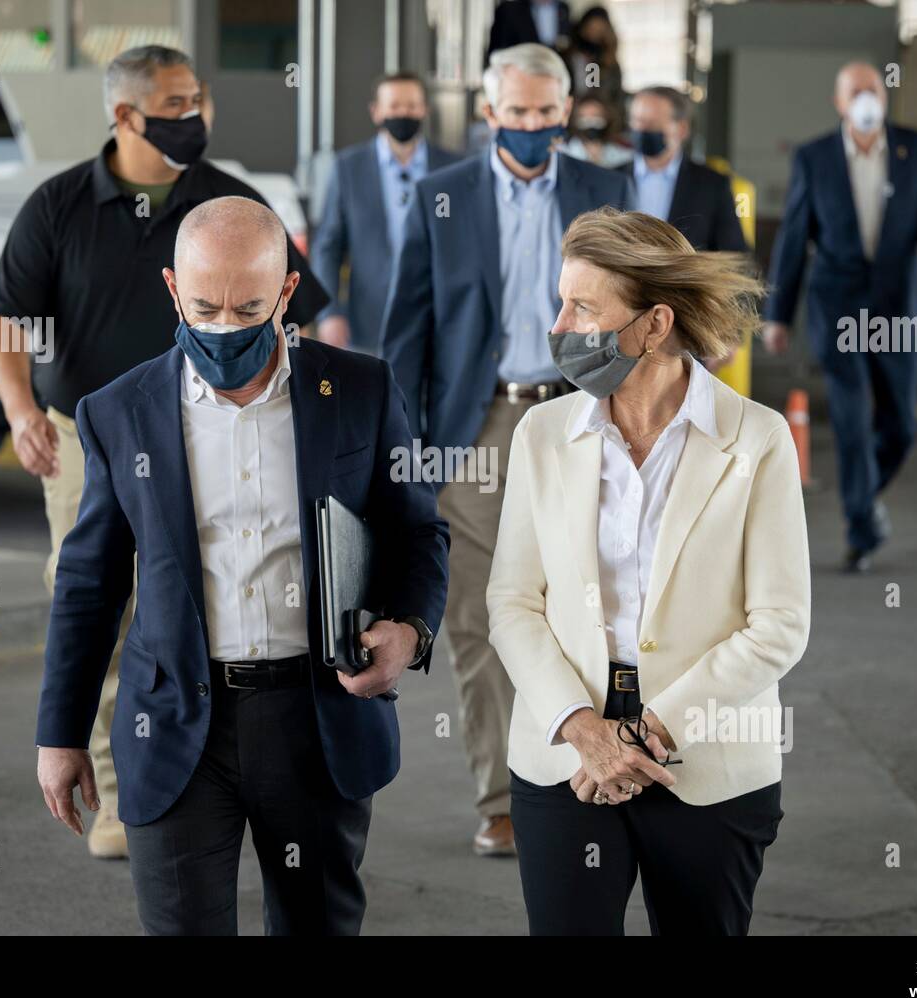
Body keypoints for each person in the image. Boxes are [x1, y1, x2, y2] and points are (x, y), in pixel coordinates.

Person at [34, 197, 449, 935]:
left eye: (248, 307)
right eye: (204, 307)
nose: (224, 326)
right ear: (172, 289)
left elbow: (417, 533)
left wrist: (410, 632)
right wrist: (60, 735)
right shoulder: (119, 411)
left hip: (317, 718)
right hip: (173, 727)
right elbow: (89, 585)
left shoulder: (360, 390)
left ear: (287, 292)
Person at [0, 45, 329, 859]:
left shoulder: (231, 202)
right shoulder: (59, 205)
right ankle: (118, 788)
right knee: (102, 598)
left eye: (198, 98)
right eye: (177, 103)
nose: (195, 116)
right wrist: (19, 412)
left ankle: (224, 781)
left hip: (218, 429)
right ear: (127, 115)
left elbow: (299, 315)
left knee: (206, 600)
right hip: (86, 437)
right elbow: (7, 323)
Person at [487, 208, 810, 935]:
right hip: (566, 761)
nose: (561, 325)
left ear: (655, 325)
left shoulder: (756, 440)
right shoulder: (542, 433)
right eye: (560, 301)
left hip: (709, 767)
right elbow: (512, 602)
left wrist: (646, 735)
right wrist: (585, 730)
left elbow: (780, 624)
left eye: (584, 308)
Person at [381, 42, 634, 857]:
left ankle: (602, 766)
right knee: (483, 614)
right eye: (516, 112)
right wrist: (408, 449)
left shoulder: (604, 188)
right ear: (491, 113)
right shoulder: (440, 195)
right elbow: (409, 328)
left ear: (566, 110)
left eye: (545, 111)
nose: (531, 125)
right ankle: (502, 798)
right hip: (479, 424)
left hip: (584, 412)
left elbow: (638, 305)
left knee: (596, 601)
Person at [763, 61, 917, 572]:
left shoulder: (916, 151)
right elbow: (793, 237)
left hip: (898, 305)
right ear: (839, 102)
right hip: (837, 304)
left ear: (886, 96)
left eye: (874, 89)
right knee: (850, 419)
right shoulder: (815, 158)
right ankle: (861, 527)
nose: (866, 99)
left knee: (902, 425)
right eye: (856, 92)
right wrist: (777, 315)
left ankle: (865, 495)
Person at [311, 72, 461, 355]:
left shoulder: (452, 168)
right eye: (394, 106)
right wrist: (329, 312)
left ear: (425, 109)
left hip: (437, 322)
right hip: (367, 324)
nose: (403, 113)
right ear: (376, 111)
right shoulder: (349, 168)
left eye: (412, 105)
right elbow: (327, 247)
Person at [619, 86, 747, 254]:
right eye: (637, 121)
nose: (642, 130)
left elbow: (734, 254)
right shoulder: (610, 177)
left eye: (652, 123)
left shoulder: (712, 184)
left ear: (682, 129)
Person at [567, 6, 624, 121]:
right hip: (571, 118)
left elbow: (617, 98)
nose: (593, 36)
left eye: (599, 31)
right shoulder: (569, 58)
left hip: (602, 120)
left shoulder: (610, 63)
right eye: (590, 29)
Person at [561, 92, 631, 168]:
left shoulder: (623, 155)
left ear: (607, 118)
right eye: (584, 117)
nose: (591, 122)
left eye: (596, 116)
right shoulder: (563, 153)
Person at [486, 0, 571, 62]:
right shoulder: (508, 10)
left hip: (554, 72)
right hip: (519, 72)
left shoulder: (563, 8)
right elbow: (497, 51)